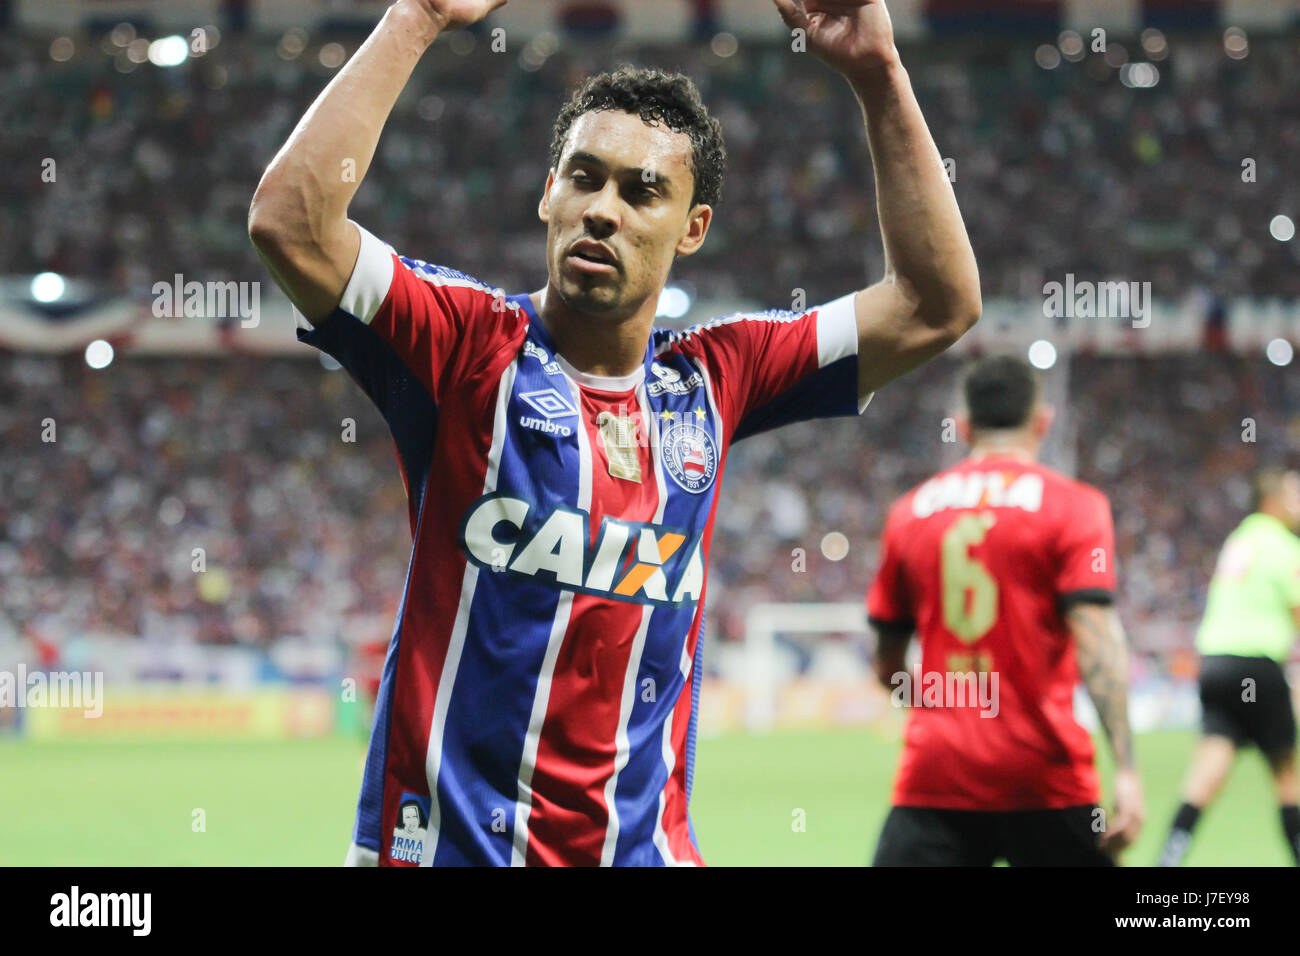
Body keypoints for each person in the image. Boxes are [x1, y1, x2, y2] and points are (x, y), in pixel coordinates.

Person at [248, 0, 979, 866]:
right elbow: (289, 224)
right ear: (547, 193)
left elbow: (937, 305)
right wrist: (417, 16)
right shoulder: (464, 344)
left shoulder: (717, 377)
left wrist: (879, 76)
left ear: (692, 228)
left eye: (643, 192)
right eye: (584, 178)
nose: (603, 210)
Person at [866, 354, 1143, 865]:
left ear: (963, 426)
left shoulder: (909, 513)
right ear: (1043, 422)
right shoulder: (1076, 506)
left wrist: (941, 704)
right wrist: (1126, 769)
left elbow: (886, 666)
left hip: (936, 774)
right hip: (1044, 774)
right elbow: (1097, 641)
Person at [1158, 468, 1300, 866]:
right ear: (1271, 501)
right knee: (1287, 777)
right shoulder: (1282, 546)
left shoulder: (1238, 542)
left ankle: (1165, 861)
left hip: (1216, 667)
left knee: (1204, 778)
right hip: (1256, 666)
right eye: (1293, 495)